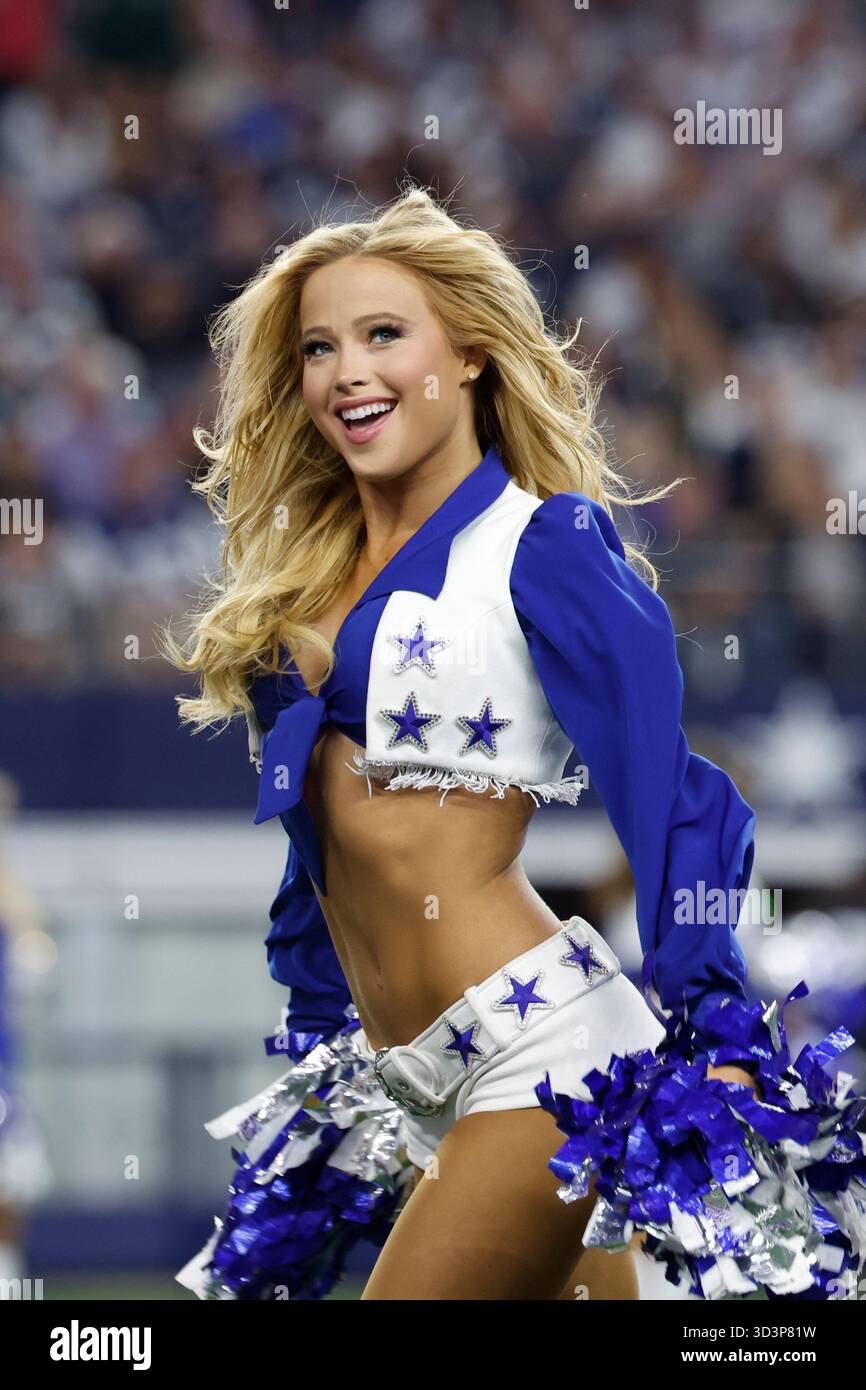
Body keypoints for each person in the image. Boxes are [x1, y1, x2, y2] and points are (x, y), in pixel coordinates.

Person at [164, 185, 866, 1302]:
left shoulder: (541, 545)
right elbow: (319, 856)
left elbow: (678, 797)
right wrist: (316, 1029)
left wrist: (713, 1019)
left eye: (384, 334)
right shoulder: (294, 584)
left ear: (472, 356)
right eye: (318, 346)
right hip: (409, 1075)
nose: (348, 368)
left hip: (543, 1058)